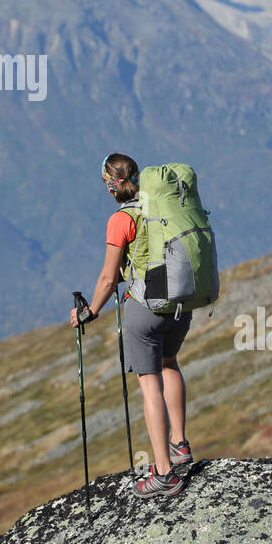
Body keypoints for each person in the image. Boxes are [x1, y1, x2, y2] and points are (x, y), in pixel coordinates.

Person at [68, 152, 192, 497]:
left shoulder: (121, 219)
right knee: (170, 364)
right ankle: (180, 443)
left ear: (111, 185)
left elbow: (109, 278)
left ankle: (164, 472)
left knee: (149, 383)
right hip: (180, 306)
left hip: (144, 311)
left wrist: (90, 311)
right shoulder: (164, 207)